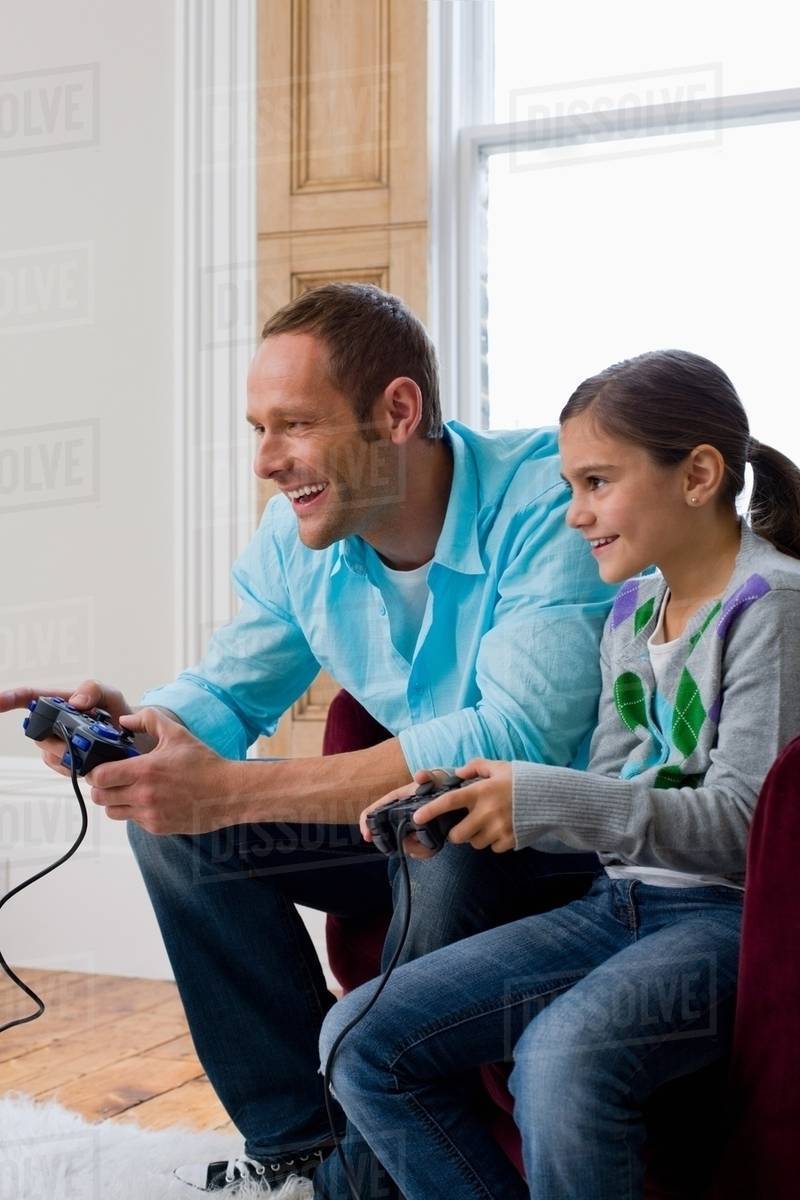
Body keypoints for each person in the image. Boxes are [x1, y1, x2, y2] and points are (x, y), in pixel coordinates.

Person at [1, 284, 615, 1197]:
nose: (265, 461)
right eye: (257, 428)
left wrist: (234, 789)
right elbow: (226, 687)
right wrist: (137, 735)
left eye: (292, 424)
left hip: (557, 841)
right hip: (415, 825)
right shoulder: (301, 536)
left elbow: (516, 734)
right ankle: (300, 1149)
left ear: (396, 411)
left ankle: (371, 1170)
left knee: (437, 828)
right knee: (172, 828)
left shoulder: (543, 499)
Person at [321, 348, 800, 1200]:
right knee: (358, 1040)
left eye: (596, 483)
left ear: (696, 475)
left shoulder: (774, 606)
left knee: (559, 1057)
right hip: (618, 904)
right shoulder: (628, 613)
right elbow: (616, 787)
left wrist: (540, 796)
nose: (573, 514)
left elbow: (742, 824)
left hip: (725, 922)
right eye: (570, 486)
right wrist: (475, 794)